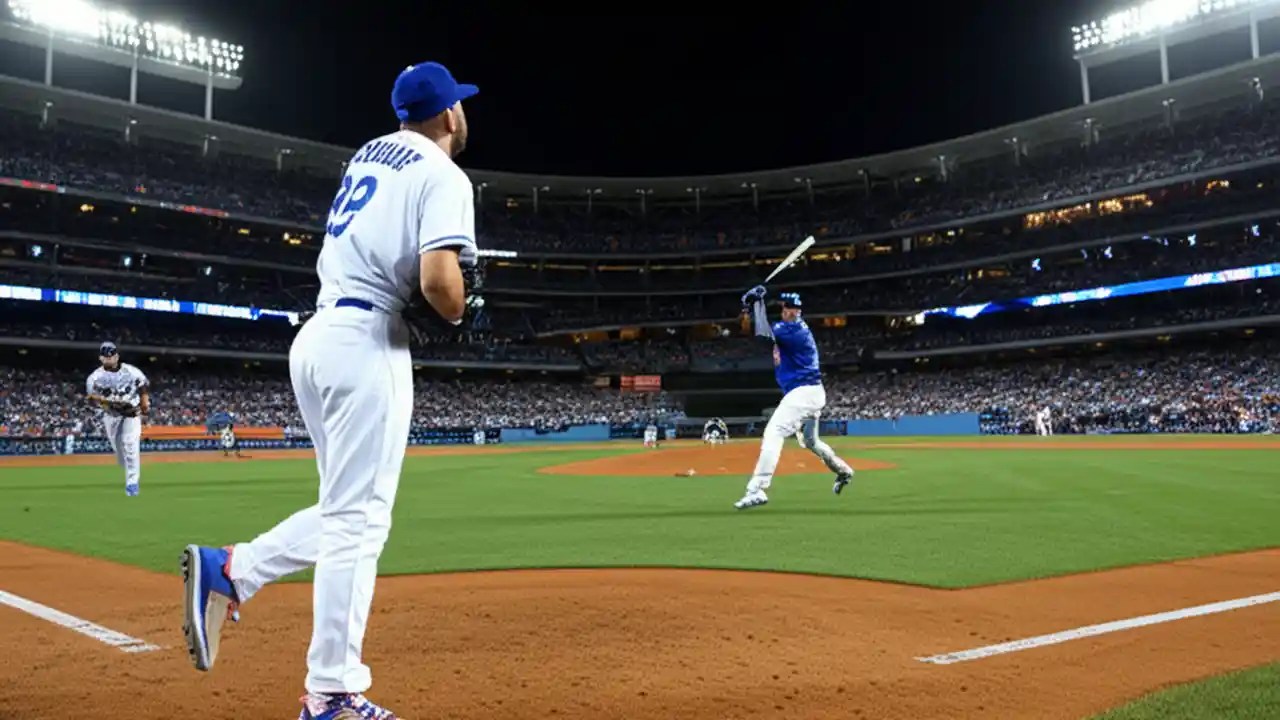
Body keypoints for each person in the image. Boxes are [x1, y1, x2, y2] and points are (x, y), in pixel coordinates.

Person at [180, 61, 479, 720]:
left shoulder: (368, 156)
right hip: (366, 339)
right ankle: (332, 693)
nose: (464, 114)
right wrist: (462, 310)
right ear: (448, 115)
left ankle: (234, 569)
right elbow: (438, 282)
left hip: (319, 336)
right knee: (359, 522)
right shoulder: (443, 173)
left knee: (348, 511)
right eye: (461, 105)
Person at [734, 289, 854, 510]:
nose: (793, 312)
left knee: (774, 432)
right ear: (784, 309)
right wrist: (753, 307)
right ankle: (844, 471)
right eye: (790, 309)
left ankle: (757, 489)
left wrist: (758, 304)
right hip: (811, 393)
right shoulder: (792, 328)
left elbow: (762, 334)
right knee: (810, 442)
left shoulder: (793, 330)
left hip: (803, 393)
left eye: (796, 309)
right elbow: (760, 328)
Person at [84, 342, 149, 496]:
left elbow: (143, 386)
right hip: (111, 415)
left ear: (117, 356)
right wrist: (112, 405)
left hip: (131, 412)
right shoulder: (94, 378)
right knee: (119, 451)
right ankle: (127, 467)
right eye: (106, 356)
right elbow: (92, 398)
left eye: (112, 355)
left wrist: (144, 402)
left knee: (130, 445)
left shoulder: (131, 371)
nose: (109, 358)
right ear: (100, 358)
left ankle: (132, 483)